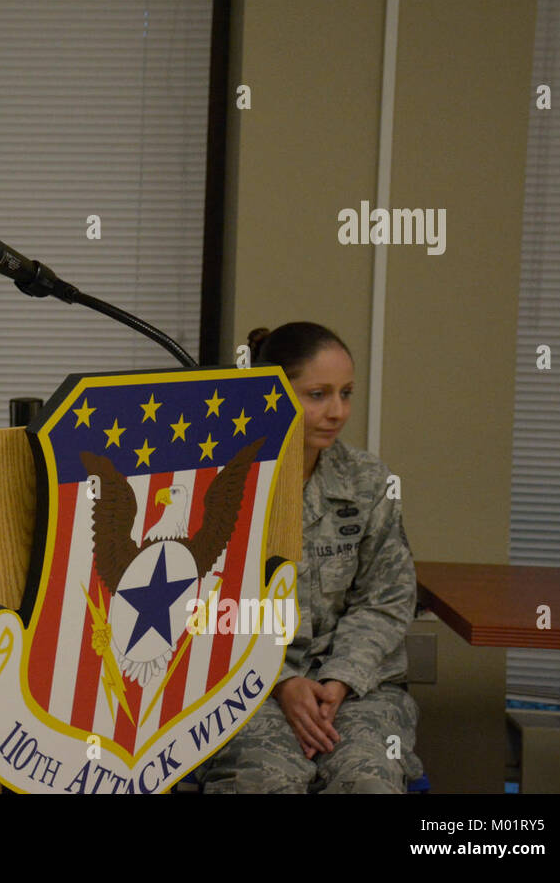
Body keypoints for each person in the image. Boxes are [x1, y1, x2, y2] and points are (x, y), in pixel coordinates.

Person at [196, 322, 422, 793]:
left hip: (358, 690)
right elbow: (199, 607)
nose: (337, 412)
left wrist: (339, 681)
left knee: (369, 780)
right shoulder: (217, 485)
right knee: (265, 782)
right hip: (241, 688)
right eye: (317, 394)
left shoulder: (368, 481)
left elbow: (386, 599)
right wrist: (279, 680)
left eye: (346, 394)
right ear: (271, 394)